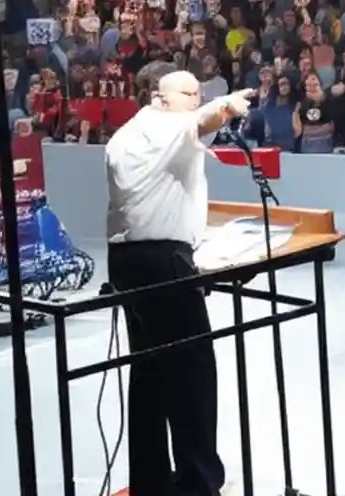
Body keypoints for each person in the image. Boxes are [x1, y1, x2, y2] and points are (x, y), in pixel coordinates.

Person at [104, 64, 256, 496]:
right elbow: (203, 119)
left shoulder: (127, 135)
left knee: (149, 374)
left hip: (127, 262)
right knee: (191, 375)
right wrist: (228, 105)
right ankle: (197, 483)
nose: (196, 99)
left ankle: (150, 482)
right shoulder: (165, 127)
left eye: (197, 93)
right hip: (163, 264)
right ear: (159, 97)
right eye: (188, 93)